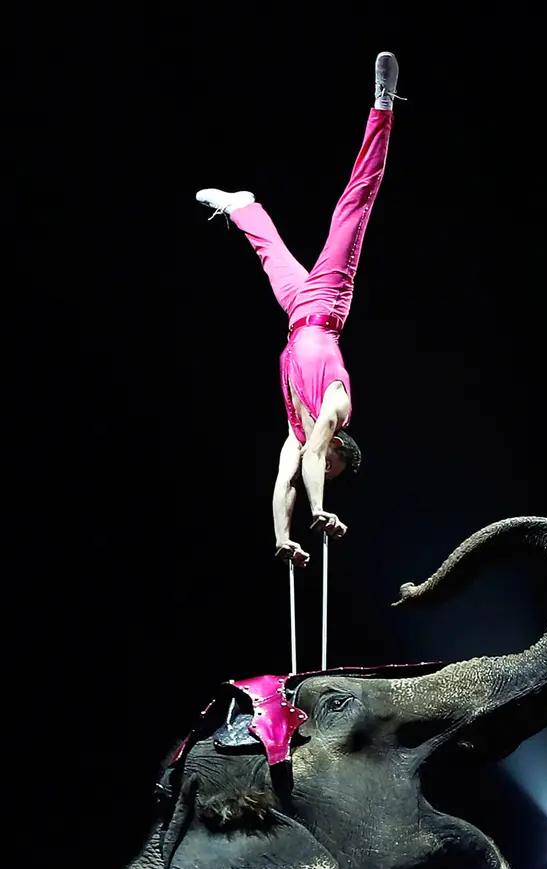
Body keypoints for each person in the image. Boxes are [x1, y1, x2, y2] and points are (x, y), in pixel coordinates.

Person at [197, 52, 399, 568]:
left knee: (268, 252)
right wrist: (321, 510)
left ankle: (244, 206)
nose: (323, 468)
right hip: (328, 302)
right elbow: (312, 459)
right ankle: (383, 107)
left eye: (326, 476)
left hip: (295, 313)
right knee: (353, 207)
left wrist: (283, 537)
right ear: (340, 445)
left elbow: (285, 475)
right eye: (331, 468)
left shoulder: (298, 430)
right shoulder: (337, 410)